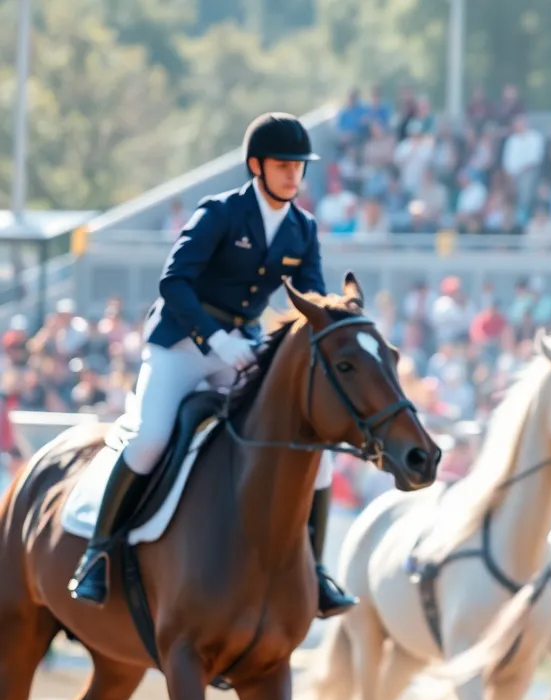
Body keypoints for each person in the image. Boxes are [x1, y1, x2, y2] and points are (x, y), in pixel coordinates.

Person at [67, 113, 358, 619]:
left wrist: (339, 315)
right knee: (151, 437)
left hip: (241, 348)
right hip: (182, 341)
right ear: (256, 166)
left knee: (318, 454)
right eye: (283, 165)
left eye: (299, 166)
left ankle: (314, 569)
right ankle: (98, 552)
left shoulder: (302, 229)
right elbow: (174, 283)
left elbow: (309, 301)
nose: (294, 175)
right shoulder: (219, 213)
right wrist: (216, 340)